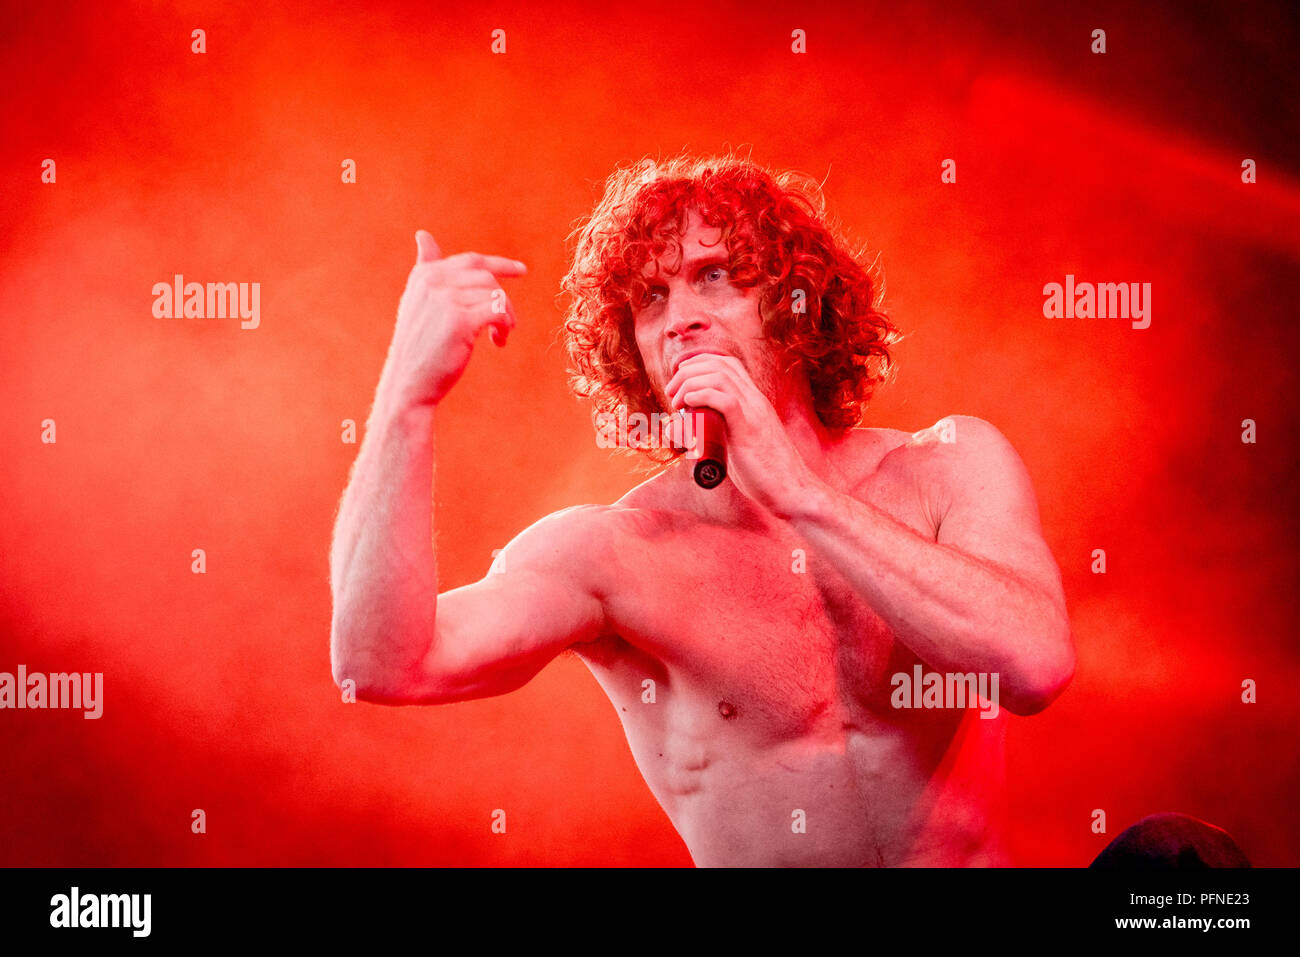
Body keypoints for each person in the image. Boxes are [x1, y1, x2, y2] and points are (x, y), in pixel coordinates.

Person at [329, 153, 1076, 866]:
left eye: (713, 277)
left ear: (796, 302)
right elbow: (382, 665)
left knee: (1168, 862)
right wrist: (407, 396)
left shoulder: (946, 465)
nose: (679, 317)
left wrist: (801, 495)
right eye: (651, 299)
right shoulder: (613, 553)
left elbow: (1033, 665)